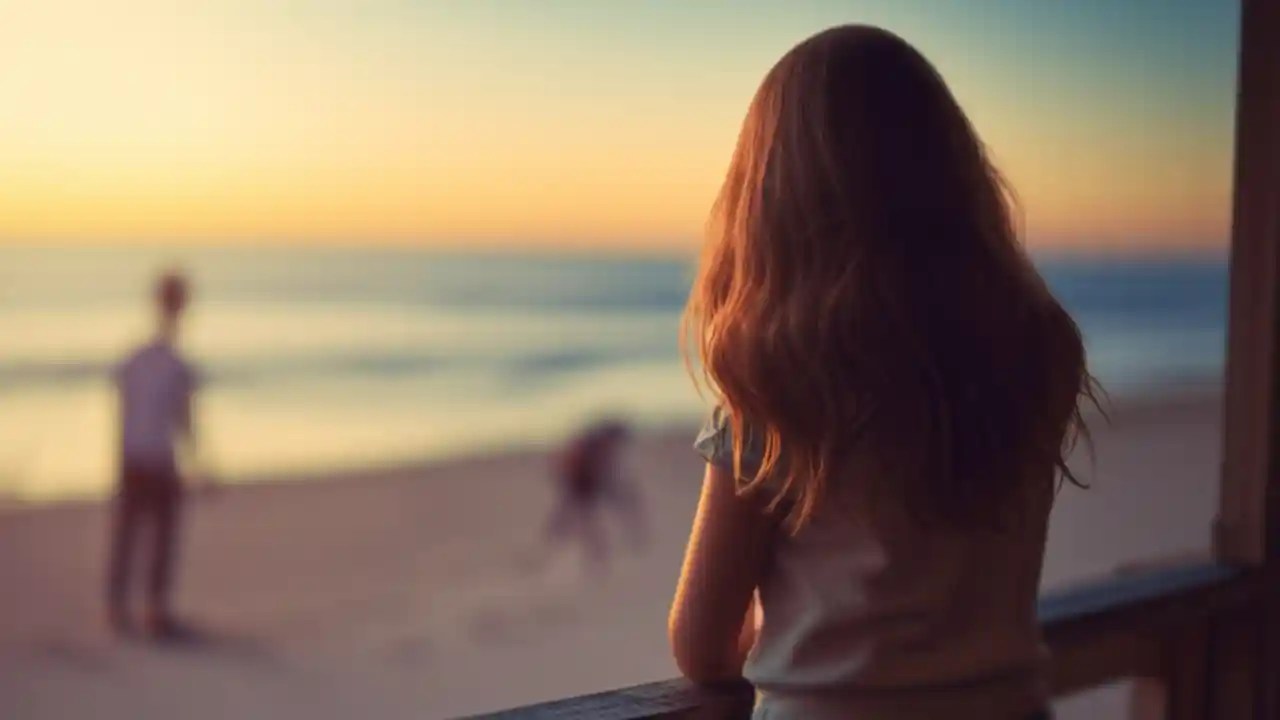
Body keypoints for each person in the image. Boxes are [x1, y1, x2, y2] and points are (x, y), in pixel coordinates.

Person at [668, 26, 1096, 720]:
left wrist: (778, 635)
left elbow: (701, 645)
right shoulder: (1034, 356)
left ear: (768, 199)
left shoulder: (773, 388)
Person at [106, 270, 204, 639]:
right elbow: (185, 421)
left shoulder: (139, 359)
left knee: (133, 537)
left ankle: (126, 608)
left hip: (139, 457)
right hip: (155, 459)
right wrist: (199, 464)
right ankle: (148, 610)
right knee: (152, 538)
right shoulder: (173, 364)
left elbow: (124, 412)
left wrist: (119, 457)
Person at [544, 419, 646, 574]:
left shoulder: (596, 444)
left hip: (588, 481)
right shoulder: (594, 446)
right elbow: (578, 468)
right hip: (581, 482)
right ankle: (595, 556)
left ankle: (598, 553)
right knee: (585, 522)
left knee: (575, 519)